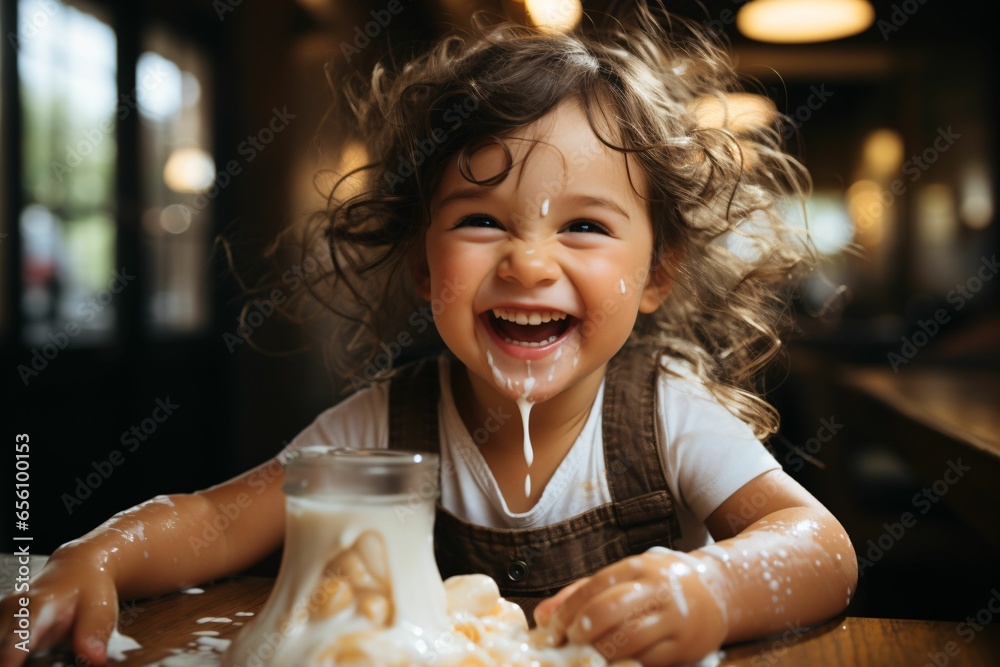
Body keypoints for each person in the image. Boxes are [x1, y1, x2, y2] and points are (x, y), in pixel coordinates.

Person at [0, 5, 857, 667]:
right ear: (422, 263)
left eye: (586, 228)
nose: (528, 262)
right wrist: (94, 553)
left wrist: (708, 585)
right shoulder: (382, 429)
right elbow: (216, 523)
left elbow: (821, 550)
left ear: (657, 273)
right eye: (482, 219)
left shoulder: (666, 413)